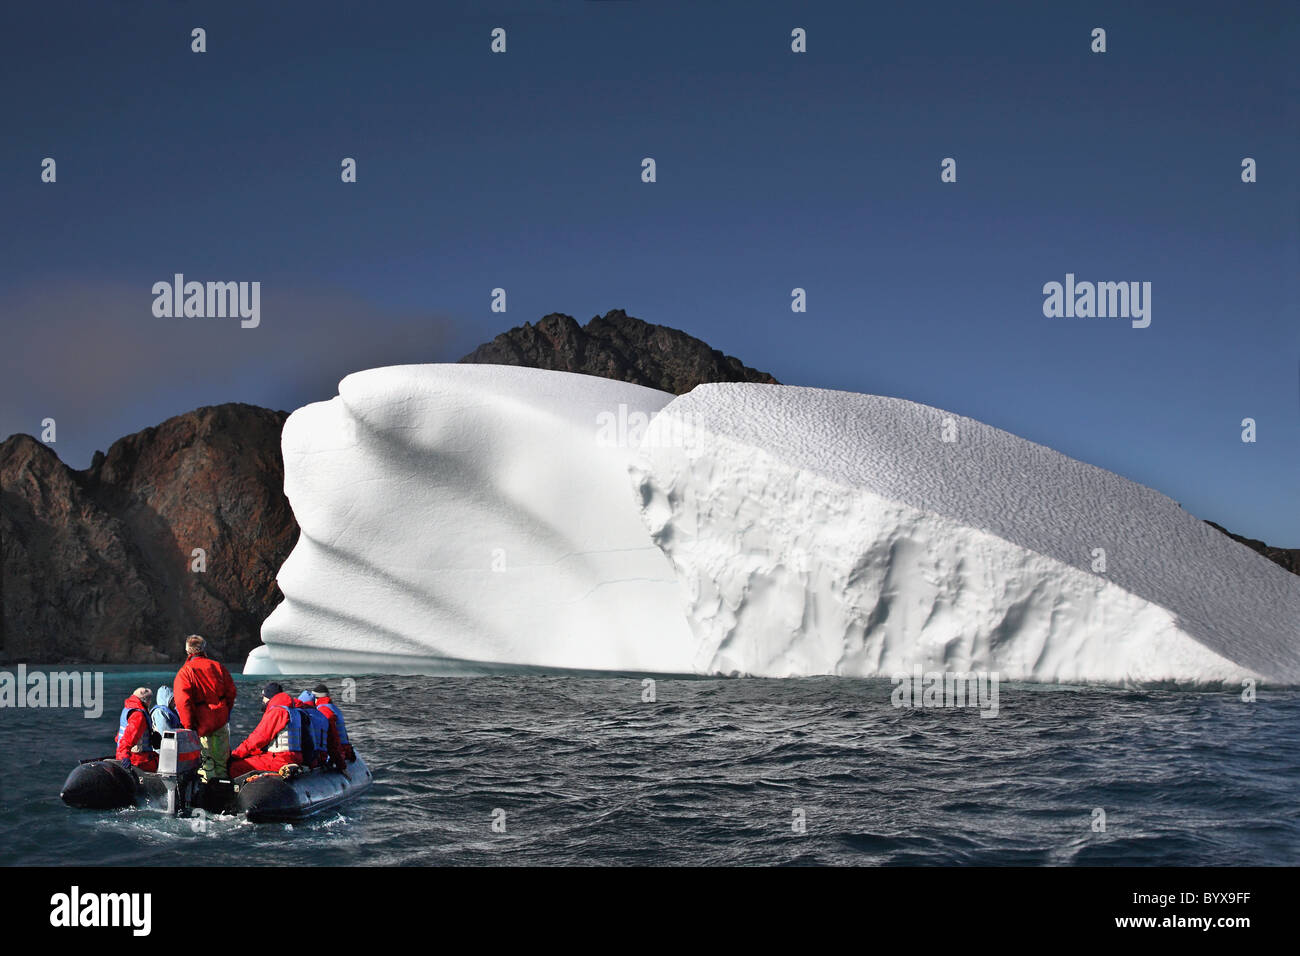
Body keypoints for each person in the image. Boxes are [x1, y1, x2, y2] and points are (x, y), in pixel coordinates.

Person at [173, 634, 237, 783]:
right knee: (222, 762)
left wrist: (189, 726)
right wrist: (225, 713)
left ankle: (207, 794)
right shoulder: (217, 666)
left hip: (201, 726)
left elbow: (183, 702)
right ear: (203, 648)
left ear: (188, 650)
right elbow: (231, 692)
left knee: (206, 764)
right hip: (220, 722)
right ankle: (224, 792)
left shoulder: (185, 672)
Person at [228, 683, 303, 777]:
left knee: (235, 767)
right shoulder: (293, 711)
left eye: (263, 697)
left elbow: (258, 738)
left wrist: (235, 755)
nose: (262, 700)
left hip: (280, 759)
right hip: (295, 757)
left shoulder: (277, 711)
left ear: (269, 697)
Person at [295, 691, 348, 773]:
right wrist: (341, 765)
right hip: (320, 760)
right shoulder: (323, 717)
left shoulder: (298, 716)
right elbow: (332, 745)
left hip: (301, 760)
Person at [116, 687, 159, 772]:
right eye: (150, 699)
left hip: (123, 755)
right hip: (137, 760)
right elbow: (128, 738)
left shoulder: (127, 709)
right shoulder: (138, 716)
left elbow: (119, 737)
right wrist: (125, 757)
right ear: (146, 701)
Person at [313, 682, 356, 762]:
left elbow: (332, 737)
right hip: (346, 748)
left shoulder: (322, 709)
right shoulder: (334, 708)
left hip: (339, 750)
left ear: (316, 698)